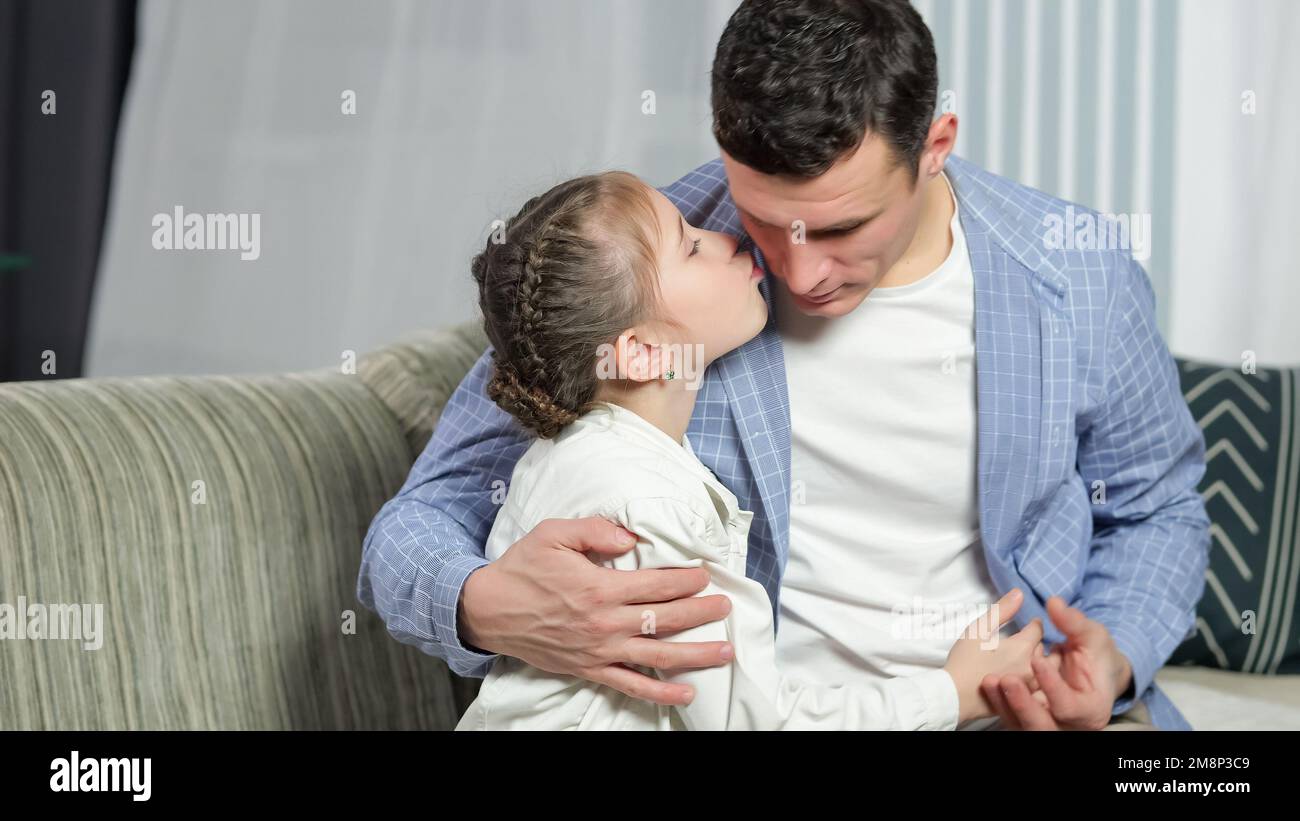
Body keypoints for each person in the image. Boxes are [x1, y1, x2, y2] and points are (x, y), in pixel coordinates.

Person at [358, 0, 1210, 731]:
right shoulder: (643, 279)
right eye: (764, 219)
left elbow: (1158, 508)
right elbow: (419, 519)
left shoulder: (1078, 273)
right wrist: (483, 603)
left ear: (935, 143)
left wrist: (1115, 653)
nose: (798, 274)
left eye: (841, 229)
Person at [448, 169, 1044, 730]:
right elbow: (758, 722)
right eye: (689, 246)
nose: (724, 237)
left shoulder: (567, 462)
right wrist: (951, 691)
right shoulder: (647, 507)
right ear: (642, 352)